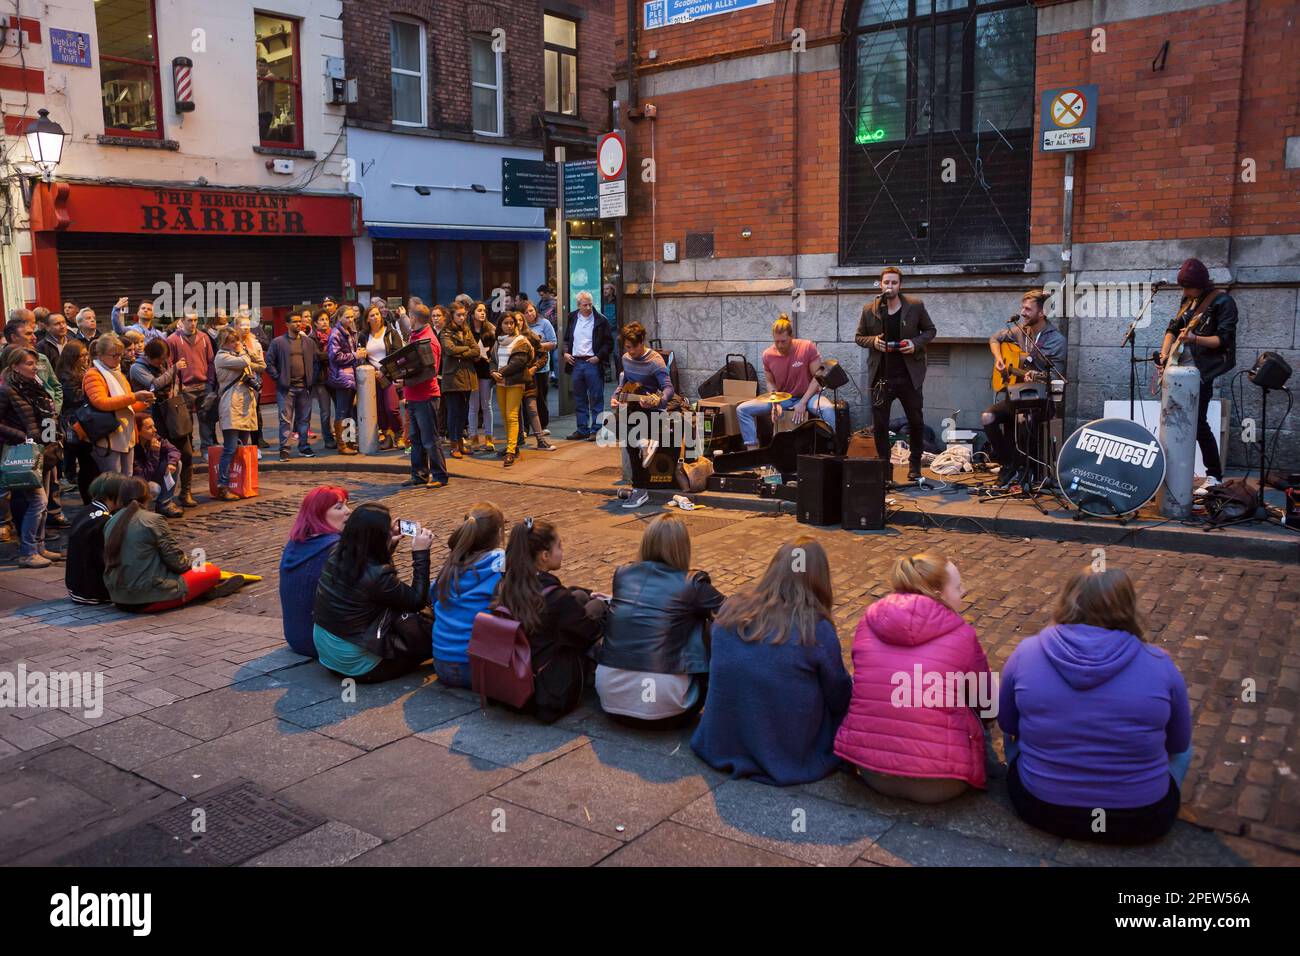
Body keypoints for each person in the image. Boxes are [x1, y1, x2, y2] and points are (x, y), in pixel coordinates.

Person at [999, 567, 1192, 844]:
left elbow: (1008, 724)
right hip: (1143, 819)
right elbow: (1178, 745)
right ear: (1128, 607)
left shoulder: (1026, 652)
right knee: (1185, 751)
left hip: (1040, 808)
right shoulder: (1161, 664)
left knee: (1014, 733)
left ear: (1066, 601)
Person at [691, 538, 851, 785]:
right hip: (784, 751)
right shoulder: (815, 629)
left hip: (720, 740)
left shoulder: (731, 608)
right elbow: (839, 695)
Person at [834, 553, 990, 803]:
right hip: (941, 782)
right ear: (938, 593)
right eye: (958, 587)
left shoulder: (868, 621)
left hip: (872, 771)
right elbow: (986, 701)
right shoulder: (963, 635)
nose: (964, 591)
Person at [596, 514, 724, 728]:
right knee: (710, 623)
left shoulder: (623, 574)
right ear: (683, 547)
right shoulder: (692, 583)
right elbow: (733, 611)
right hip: (669, 709)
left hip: (611, 701)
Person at [497, 517, 607, 723]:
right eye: (559, 546)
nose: (562, 551)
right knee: (596, 607)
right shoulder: (557, 599)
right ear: (545, 556)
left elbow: (567, 600)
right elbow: (591, 632)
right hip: (549, 688)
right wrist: (603, 608)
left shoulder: (509, 584)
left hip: (520, 671)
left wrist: (582, 595)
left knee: (581, 597)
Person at [1156, 257, 1237, 494]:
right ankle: (1176, 471)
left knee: (1198, 422)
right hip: (1178, 369)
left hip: (1201, 372)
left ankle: (1214, 475)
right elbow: (1172, 328)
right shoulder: (1189, 299)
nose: (1184, 291)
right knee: (1174, 419)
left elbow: (1223, 340)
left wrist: (1194, 339)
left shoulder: (1223, 302)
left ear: (1200, 284)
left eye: (1187, 286)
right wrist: (1164, 355)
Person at [103, 477, 245, 611]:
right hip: (148, 598)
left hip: (118, 597)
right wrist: (193, 565)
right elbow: (177, 562)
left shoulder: (111, 521)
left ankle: (203, 589)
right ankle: (204, 590)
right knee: (211, 571)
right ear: (148, 497)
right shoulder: (154, 520)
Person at [856, 267, 936, 481]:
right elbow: (859, 337)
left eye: (894, 283)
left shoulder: (915, 306)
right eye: (886, 282)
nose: (889, 286)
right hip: (881, 376)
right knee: (881, 425)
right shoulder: (870, 309)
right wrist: (874, 341)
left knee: (916, 422)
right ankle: (885, 469)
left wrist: (915, 343)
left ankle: (915, 466)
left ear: (900, 285)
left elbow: (930, 331)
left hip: (909, 375)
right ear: (880, 284)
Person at [983, 289, 1068, 488]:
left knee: (1022, 419)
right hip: (1015, 397)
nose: (1023, 312)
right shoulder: (1019, 331)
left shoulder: (1057, 341)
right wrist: (999, 360)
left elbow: (1056, 377)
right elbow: (995, 338)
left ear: (1042, 313)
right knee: (988, 417)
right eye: (1022, 307)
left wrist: (1039, 377)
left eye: (1028, 309)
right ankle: (1008, 464)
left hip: (1040, 402)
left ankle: (1024, 469)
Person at [0, 348, 65, 567]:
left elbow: (47, 414)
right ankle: (27, 552)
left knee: (43, 502)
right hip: (23, 453)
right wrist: (23, 436)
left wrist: (52, 438)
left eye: (35, 363)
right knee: (38, 501)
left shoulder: (36, 387)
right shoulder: (7, 390)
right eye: (29, 363)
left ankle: (39, 547)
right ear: (14, 366)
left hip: (43, 450)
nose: (34, 367)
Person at [430, 502, 506, 688]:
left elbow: (432, 596)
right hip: (478, 668)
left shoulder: (451, 565)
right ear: (499, 534)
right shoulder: (501, 563)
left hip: (442, 663)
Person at [736, 315, 835, 451]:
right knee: (742, 409)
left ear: (791, 336)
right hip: (783, 398)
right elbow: (770, 382)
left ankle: (830, 451)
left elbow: (817, 378)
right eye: (776, 342)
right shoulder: (768, 355)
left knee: (828, 409)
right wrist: (774, 403)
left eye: (783, 341)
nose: (780, 345)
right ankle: (752, 451)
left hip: (808, 396)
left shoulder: (807, 347)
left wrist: (803, 402)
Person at [611, 322, 676, 508]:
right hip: (634, 408)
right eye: (627, 348)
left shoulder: (655, 361)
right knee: (623, 434)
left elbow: (668, 389)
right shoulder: (625, 359)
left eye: (632, 347)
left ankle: (640, 488)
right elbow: (624, 383)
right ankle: (640, 487)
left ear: (641, 343)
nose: (629, 351)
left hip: (654, 410)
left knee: (632, 435)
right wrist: (616, 397)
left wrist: (658, 400)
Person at [280, 486, 350, 658]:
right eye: (339, 507)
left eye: (347, 505)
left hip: (296, 638)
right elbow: (373, 585)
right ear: (319, 514)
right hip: (323, 643)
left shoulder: (296, 542)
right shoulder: (335, 547)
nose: (349, 511)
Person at [83, 334, 152, 478]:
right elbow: (101, 402)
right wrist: (134, 397)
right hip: (109, 437)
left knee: (127, 477)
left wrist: (143, 403)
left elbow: (127, 405)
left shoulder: (117, 372)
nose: (118, 359)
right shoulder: (93, 375)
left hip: (126, 434)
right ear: (101, 355)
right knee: (113, 481)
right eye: (114, 355)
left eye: (119, 355)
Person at [213, 328, 265, 501]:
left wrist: (249, 349)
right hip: (231, 405)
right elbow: (244, 362)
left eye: (237, 340)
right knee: (229, 448)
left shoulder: (239, 355)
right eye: (231, 341)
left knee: (242, 446)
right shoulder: (222, 357)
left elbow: (261, 365)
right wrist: (243, 350)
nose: (236, 343)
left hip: (245, 406)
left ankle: (242, 483)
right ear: (223, 342)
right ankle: (223, 485)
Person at [400, 304, 448, 489]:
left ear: (414, 317)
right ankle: (419, 474)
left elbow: (430, 372)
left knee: (429, 439)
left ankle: (440, 475)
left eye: (409, 316)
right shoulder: (417, 335)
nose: (408, 319)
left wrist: (405, 382)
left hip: (426, 396)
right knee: (417, 438)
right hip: (414, 396)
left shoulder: (428, 339)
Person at [165, 311, 210, 503]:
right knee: (186, 433)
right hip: (183, 390)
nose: (193, 324)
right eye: (189, 320)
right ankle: (184, 491)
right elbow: (169, 366)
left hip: (203, 386)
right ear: (181, 322)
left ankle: (206, 451)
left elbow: (210, 361)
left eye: (195, 320)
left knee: (207, 424)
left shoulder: (204, 337)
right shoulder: (173, 340)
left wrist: (212, 384)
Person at [266, 310, 319, 462]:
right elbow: (269, 363)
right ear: (287, 324)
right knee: (285, 420)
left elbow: (316, 361)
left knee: (304, 419)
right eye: (295, 321)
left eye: (299, 321)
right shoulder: (278, 342)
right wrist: (279, 378)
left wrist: (312, 379)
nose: (298, 324)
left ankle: (304, 446)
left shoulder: (308, 342)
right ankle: (285, 449)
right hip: (286, 389)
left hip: (305, 387)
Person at [562, 291, 614, 441]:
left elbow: (609, 343)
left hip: (592, 362)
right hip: (576, 362)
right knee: (579, 398)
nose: (588, 307)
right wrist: (565, 353)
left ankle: (596, 430)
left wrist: (598, 357)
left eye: (590, 304)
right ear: (578, 306)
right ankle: (582, 429)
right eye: (585, 305)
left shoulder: (600, 320)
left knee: (596, 397)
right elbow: (566, 339)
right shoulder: (572, 317)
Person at [65, 474, 125, 603]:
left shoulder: (86, 511)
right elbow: (106, 560)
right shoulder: (105, 520)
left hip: (76, 587)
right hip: (92, 590)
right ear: (114, 495)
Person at [56, 341, 97, 505]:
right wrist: (92, 389)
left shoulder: (82, 371)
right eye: (82, 355)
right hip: (75, 422)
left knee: (88, 462)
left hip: (84, 419)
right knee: (85, 460)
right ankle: (87, 499)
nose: (86, 358)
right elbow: (74, 398)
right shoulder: (66, 375)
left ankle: (90, 497)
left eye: (87, 354)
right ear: (72, 357)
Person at [491, 312, 534, 468]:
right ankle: (513, 446)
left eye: (512, 323)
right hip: (500, 383)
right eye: (506, 323)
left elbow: (518, 362)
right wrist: (493, 372)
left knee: (512, 415)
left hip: (514, 383)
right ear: (500, 325)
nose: (509, 326)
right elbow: (493, 360)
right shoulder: (498, 341)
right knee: (504, 416)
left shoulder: (521, 341)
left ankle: (510, 451)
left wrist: (499, 373)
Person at [362, 304, 404, 450]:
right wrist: (372, 370)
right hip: (372, 376)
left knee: (392, 408)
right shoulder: (363, 335)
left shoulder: (391, 332)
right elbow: (362, 356)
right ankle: (388, 436)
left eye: (377, 314)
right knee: (379, 409)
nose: (375, 317)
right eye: (372, 315)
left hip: (389, 375)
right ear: (367, 319)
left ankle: (400, 434)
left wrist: (384, 371)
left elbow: (397, 354)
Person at [439, 303, 478, 459]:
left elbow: (476, 350)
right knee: (453, 412)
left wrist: (462, 351)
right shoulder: (445, 332)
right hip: (452, 378)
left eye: (464, 315)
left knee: (463, 412)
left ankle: (461, 443)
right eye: (459, 315)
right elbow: (449, 350)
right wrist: (466, 350)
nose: (462, 318)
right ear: (452, 316)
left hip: (467, 376)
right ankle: (454, 444)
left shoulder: (467, 330)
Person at [326, 305, 363, 455]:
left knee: (349, 411)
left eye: (351, 317)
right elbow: (335, 356)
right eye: (346, 317)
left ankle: (350, 441)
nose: (350, 319)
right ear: (339, 317)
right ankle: (342, 445)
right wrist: (355, 355)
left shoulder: (349, 331)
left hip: (350, 376)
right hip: (341, 377)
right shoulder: (336, 333)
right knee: (342, 411)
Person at [132, 414, 183, 518]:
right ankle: (141, 509)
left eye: (154, 426)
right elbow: (143, 476)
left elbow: (173, 450)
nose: (154, 430)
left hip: (153, 473)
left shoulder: (155, 438)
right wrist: (154, 453)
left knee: (177, 463)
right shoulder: (133, 448)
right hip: (141, 481)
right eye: (149, 428)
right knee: (154, 488)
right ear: (139, 431)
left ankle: (165, 504)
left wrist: (171, 463)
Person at [466, 303, 496, 455]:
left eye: (484, 311)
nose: (483, 313)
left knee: (487, 405)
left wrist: (490, 357)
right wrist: (474, 356)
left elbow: (495, 351)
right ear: (472, 314)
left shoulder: (490, 330)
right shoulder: (467, 331)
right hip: (471, 372)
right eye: (479, 310)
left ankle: (489, 438)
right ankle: (474, 437)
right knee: (473, 406)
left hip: (486, 372)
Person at [524, 300, 556, 435]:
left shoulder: (544, 323)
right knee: (525, 398)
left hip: (542, 367)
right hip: (525, 367)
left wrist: (536, 346)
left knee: (541, 397)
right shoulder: (520, 326)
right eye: (525, 312)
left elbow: (554, 343)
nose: (529, 314)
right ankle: (525, 428)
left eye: (531, 310)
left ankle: (542, 426)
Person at [310, 309, 336, 448]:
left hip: (336, 376)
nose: (324, 322)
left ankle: (344, 437)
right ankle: (328, 438)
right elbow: (317, 356)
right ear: (315, 323)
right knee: (325, 411)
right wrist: (332, 355)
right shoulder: (312, 338)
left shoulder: (335, 334)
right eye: (321, 320)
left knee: (342, 409)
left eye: (326, 319)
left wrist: (328, 355)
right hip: (321, 379)